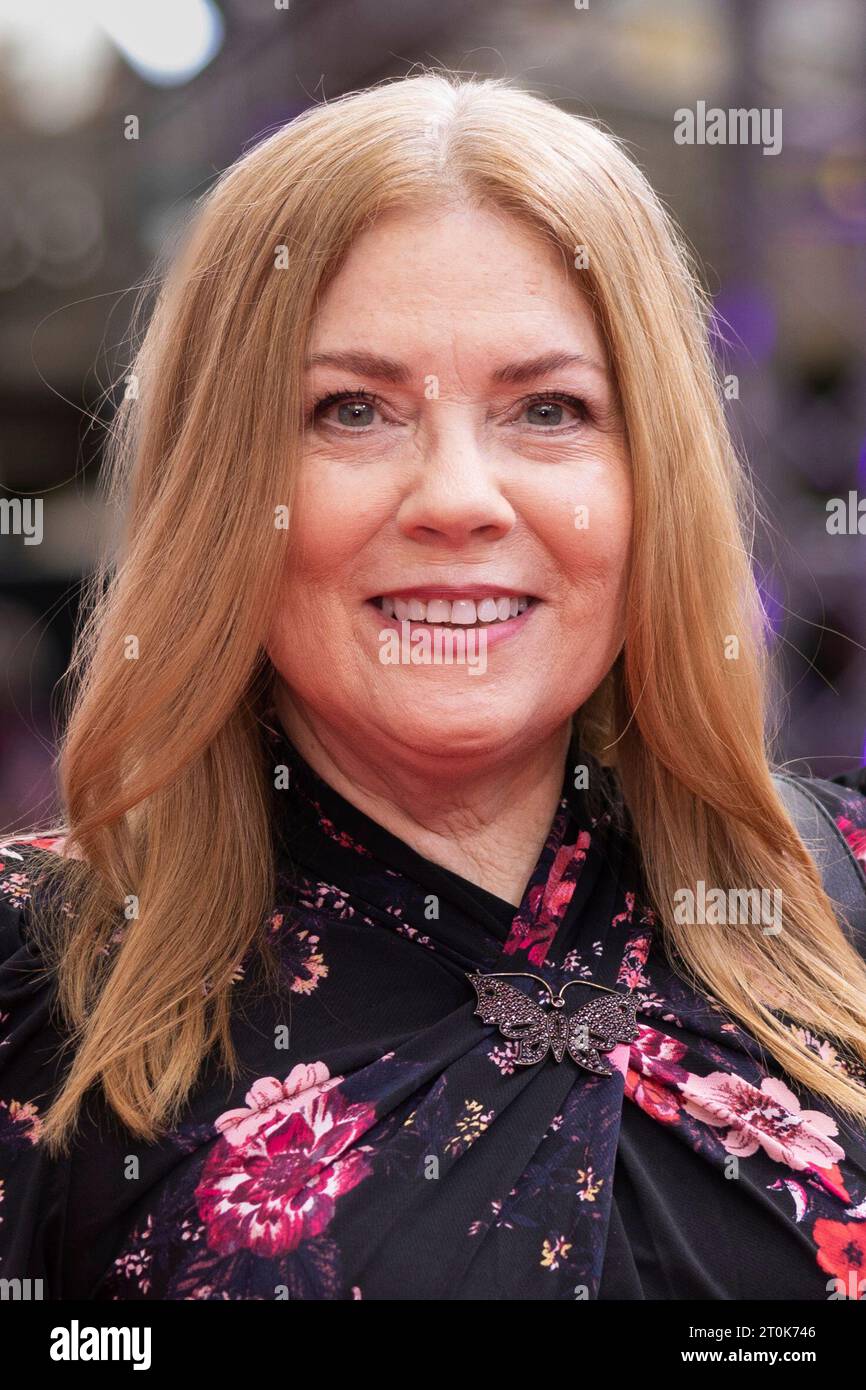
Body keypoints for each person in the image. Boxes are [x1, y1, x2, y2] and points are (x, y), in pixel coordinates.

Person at [2, 71, 866, 1302]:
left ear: (649, 481)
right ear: (222, 484)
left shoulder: (847, 896)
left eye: (548, 409)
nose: (458, 498)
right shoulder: (35, 978)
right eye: (351, 410)